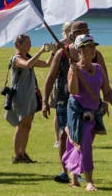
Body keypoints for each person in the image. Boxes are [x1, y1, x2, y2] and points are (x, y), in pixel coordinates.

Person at [42, 20, 107, 183]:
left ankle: (76, 169)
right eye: (79, 31)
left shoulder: (96, 55)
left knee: (85, 137)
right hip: (65, 100)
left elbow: (104, 80)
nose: (82, 33)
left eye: (85, 30)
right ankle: (66, 170)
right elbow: (50, 77)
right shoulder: (62, 53)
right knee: (64, 135)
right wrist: (45, 100)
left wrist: (106, 100)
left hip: (89, 101)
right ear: (71, 34)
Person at [62, 34, 112, 191]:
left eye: (94, 46)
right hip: (78, 111)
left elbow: (106, 89)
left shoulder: (98, 68)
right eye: (89, 46)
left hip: (94, 111)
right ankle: (89, 181)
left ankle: (73, 177)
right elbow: (73, 91)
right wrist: (73, 73)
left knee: (82, 143)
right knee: (85, 143)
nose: (93, 49)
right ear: (80, 50)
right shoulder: (74, 69)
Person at [5, 34, 53, 164]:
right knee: (21, 125)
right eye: (27, 44)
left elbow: (47, 64)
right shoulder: (16, 59)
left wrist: (53, 53)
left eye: (30, 43)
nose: (29, 46)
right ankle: (17, 155)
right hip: (20, 96)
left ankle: (23, 152)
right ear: (18, 45)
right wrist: (41, 51)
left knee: (28, 125)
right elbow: (27, 65)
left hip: (30, 95)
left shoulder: (28, 57)